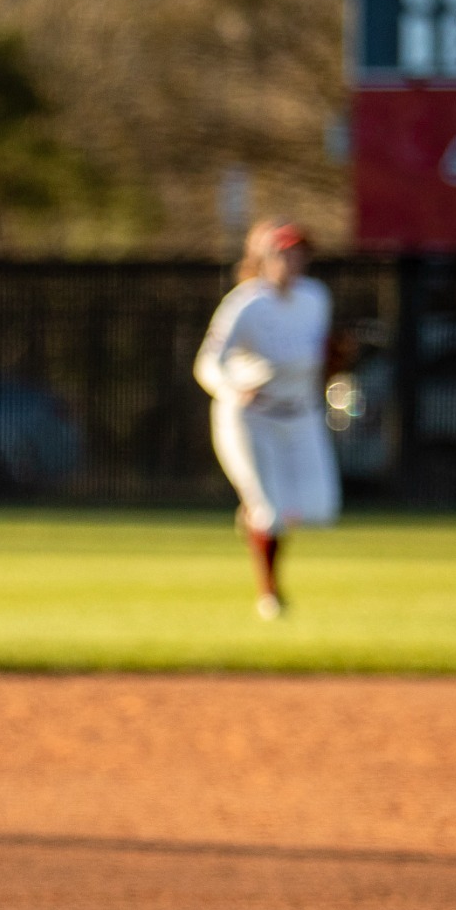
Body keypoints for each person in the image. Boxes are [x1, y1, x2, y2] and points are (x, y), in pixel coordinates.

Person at [193, 218, 340, 619]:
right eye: (284, 252)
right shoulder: (246, 302)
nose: (293, 260)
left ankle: (256, 519)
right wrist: (231, 389)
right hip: (250, 415)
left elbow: (315, 357)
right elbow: (207, 363)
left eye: (299, 253)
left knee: (319, 509)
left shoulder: (316, 297)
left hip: (301, 414)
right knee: (270, 511)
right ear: (264, 257)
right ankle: (269, 594)